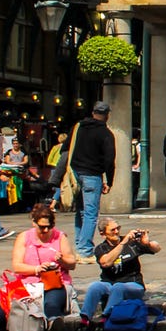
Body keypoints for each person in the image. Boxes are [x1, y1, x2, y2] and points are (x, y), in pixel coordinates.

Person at [0, 203, 81, 331]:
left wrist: (62, 260)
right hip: (29, 284)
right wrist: (37, 269)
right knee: (13, 307)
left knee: (51, 302)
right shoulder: (24, 237)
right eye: (41, 226)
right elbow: (17, 266)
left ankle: (53, 325)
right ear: (33, 223)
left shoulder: (59, 237)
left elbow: (72, 263)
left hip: (55, 283)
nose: (45, 230)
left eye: (48, 226)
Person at [79, 217, 161, 331]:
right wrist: (122, 243)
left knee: (118, 288)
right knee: (95, 287)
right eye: (112, 230)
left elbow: (157, 248)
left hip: (133, 284)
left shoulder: (131, 243)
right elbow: (106, 262)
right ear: (103, 234)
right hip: (110, 283)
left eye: (118, 228)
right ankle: (84, 321)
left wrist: (147, 243)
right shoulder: (101, 249)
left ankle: (104, 320)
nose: (117, 232)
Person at [68, 102, 117, 252]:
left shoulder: (80, 127)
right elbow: (109, 160)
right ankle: (85, 249)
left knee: (81, 210)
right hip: (92, 174)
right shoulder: (106, 133)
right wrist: (109, 180)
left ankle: (79, 242)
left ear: (93, 112)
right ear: (107, 115)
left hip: (76, 171)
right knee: (90, 213)